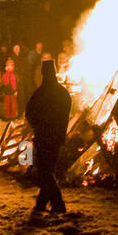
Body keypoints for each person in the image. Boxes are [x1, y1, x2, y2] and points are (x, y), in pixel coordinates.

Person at [25, 58, 71, 215]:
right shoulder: (63, 93)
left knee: (44, 172)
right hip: (57, 137)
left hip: (44, 137)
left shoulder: (40, 93)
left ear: (43, 73)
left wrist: (37, 125)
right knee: (49, 170)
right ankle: (41, 203)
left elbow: (29, 113)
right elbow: (65, 115)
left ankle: (58, 204)